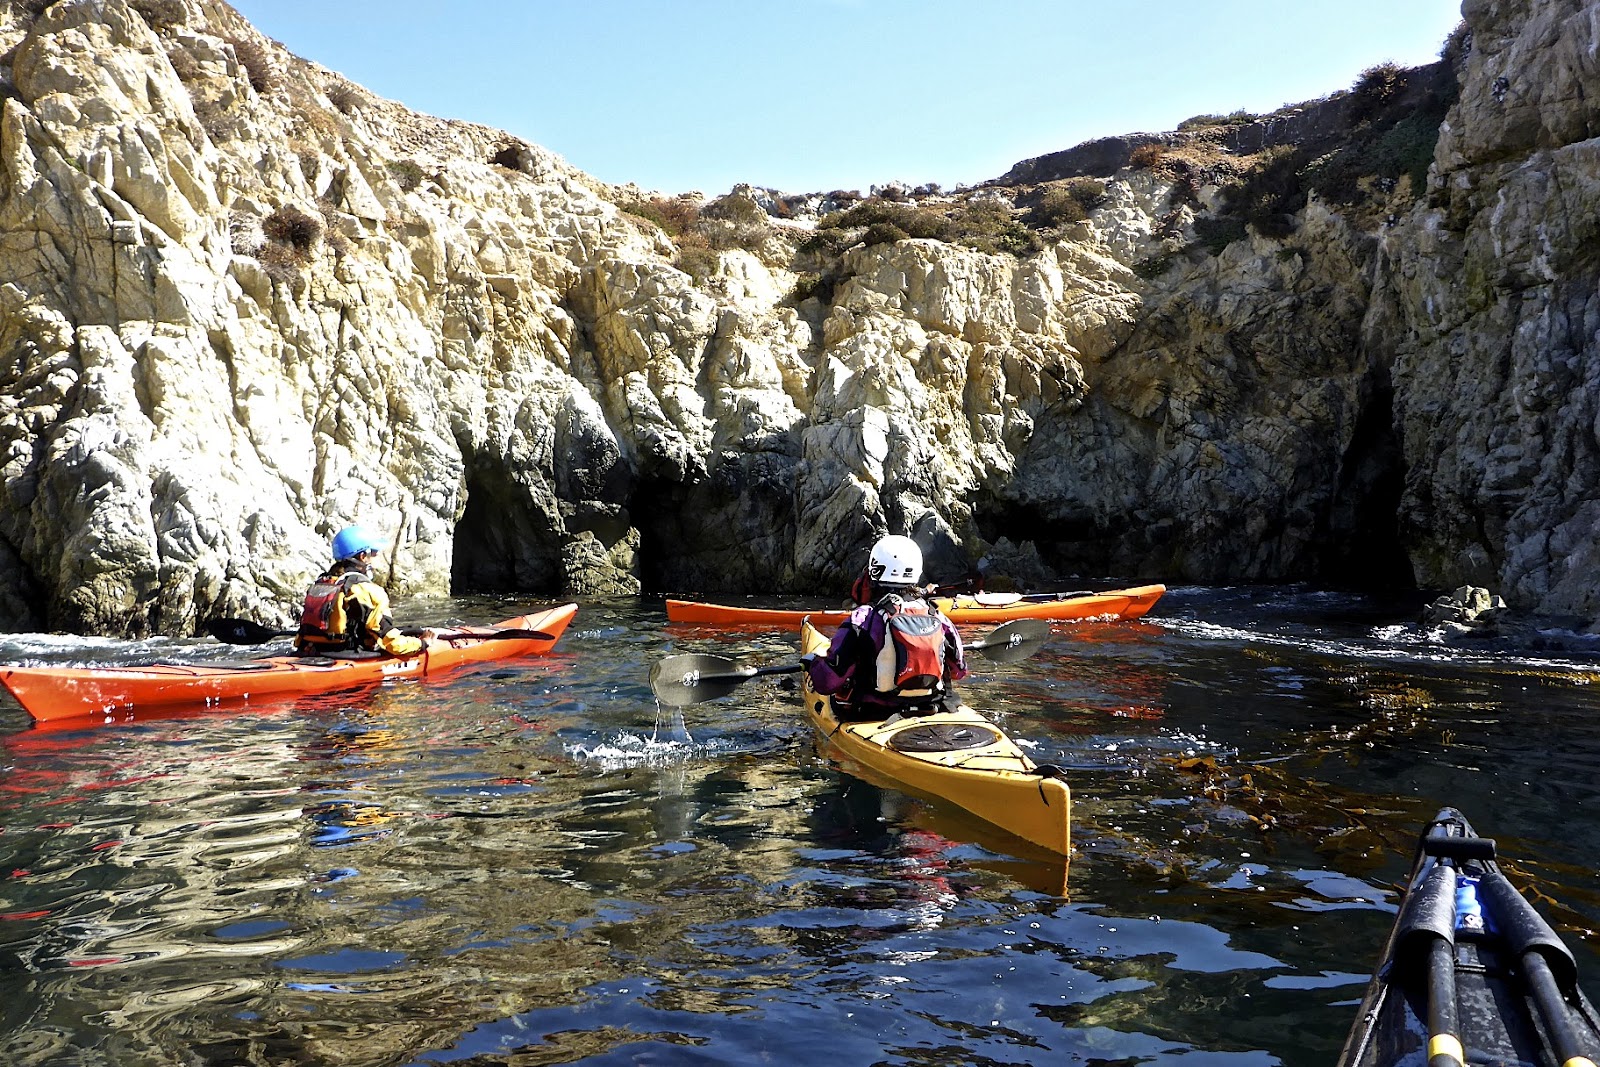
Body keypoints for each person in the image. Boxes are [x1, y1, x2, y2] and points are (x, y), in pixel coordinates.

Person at [805, 534, 969, 721]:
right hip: (930, 706)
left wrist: (814, 665)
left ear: (874, 570)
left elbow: (827, 682)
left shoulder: (862, 619)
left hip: (874, 713)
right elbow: (959, 671)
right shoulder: (938, 617)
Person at [295, 525, 428, 657]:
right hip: (348, 655)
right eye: (374, 554)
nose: (376, 559)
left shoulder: (322, 584)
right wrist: (422, 643)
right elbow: (393, 644)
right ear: (363, 556)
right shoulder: (367, 590)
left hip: (310, 650)